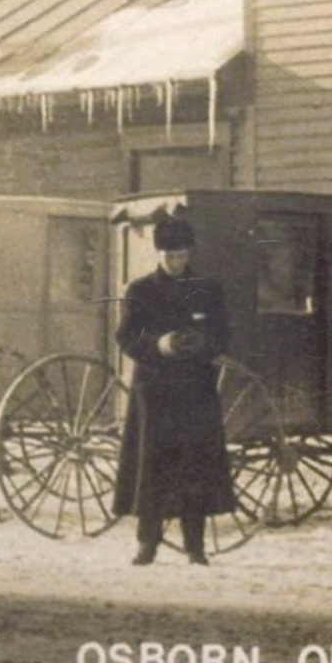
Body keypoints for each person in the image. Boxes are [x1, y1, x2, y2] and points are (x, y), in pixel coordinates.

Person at [112, 216, 235, 566]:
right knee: (153, 466)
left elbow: (223, 334)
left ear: (189, 253)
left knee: (194, 466)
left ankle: (195, 547)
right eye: (170, 257)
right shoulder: (140, 291)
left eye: (182, 256)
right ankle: (147, 544)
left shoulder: (207, 289)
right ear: (159, 254)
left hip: (196, 391)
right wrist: (159, 344)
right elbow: (126, 337)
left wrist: (204, 343)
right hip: (155, 392)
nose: (177, 263)